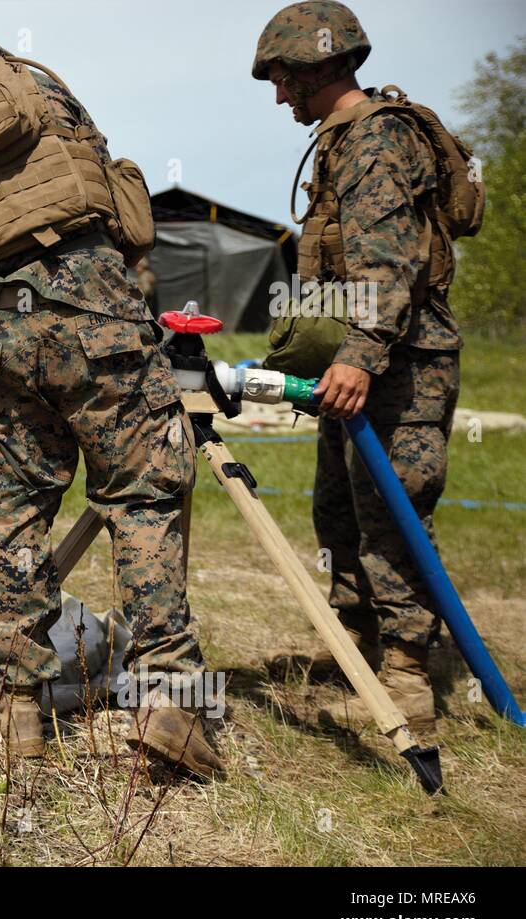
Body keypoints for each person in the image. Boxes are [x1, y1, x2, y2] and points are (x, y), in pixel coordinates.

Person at [0, 30, 222, 777]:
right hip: (105, 317)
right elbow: (122, 203)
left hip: (0, 337)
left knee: (13, 509)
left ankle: (20, 715)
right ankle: (167, 702)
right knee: (144, 498)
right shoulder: (45, 90)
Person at [252, 1, 474, 735]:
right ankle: (361, 648)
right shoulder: (341, 140)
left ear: (317, 67)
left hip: (401, 364)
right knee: (338, 512)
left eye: (282, 78)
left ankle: (409, 680)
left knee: (392, 516)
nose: (278, 95)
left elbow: (391, 260)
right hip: (363, 363)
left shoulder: (376, 138)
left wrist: (358, 354)